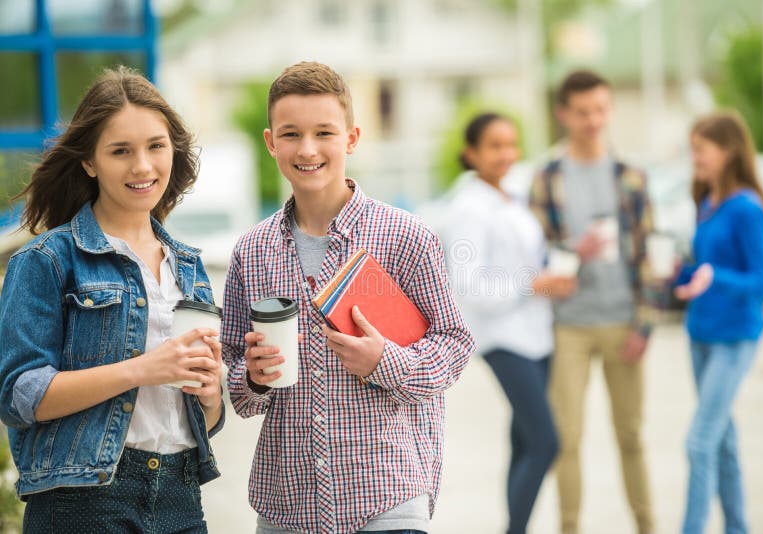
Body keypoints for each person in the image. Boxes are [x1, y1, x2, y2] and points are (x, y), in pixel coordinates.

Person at [220, 61, 475, 534]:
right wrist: (253, 377)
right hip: (287, 504)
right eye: (291, 134)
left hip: (387, 494)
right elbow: (237, 385)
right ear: (271, 142)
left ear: (352, 138)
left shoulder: (405, 236)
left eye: (324, 132)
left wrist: (386, 361)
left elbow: (455, 346)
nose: (308, 149)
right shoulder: (252, 252)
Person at [0, 66, 225, 533]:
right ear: (89, 162)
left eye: (155, 146)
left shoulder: (188, 266)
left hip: (181, 495)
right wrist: (144, 368)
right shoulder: (47, 260)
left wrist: (209, 398)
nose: (142, 166)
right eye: (121, 151)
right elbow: (19, 396)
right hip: (85, 498)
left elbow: (202, 417)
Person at [529, 70, 659, 534]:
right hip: (569, 326)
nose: (593, 120)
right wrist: (571, 256)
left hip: (623, 321)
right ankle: (570, 527)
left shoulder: (631, 176)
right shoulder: (546, 178)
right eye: (583, 112)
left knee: (631, 436)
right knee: (567, 438)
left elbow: (649, 252)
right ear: (563, 113)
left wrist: (645, 323)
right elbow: (537, 253)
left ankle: (647, 526)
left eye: (601, 110)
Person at [443, 112, 571, 534]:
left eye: (512, 144)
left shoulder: (511, 196)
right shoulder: (468, 209)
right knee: (546, 442)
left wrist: (557, 266)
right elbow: (468, 284)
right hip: (502, 339)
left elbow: (527, 258)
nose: (507, 154)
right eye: (495, 146)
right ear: (471, 153)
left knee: (524, 443)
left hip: (537, 336)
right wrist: (534, 284)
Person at [675, 112, 763, 534]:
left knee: (698, 443)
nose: (693, 157)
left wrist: (716, 276)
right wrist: (682, 275)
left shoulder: (748, 208)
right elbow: (704, 269)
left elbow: (762, 282)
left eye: (701, 148)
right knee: (723, 442)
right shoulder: (705, 201)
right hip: (700, 334)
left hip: (735, 339)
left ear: (728, 149)